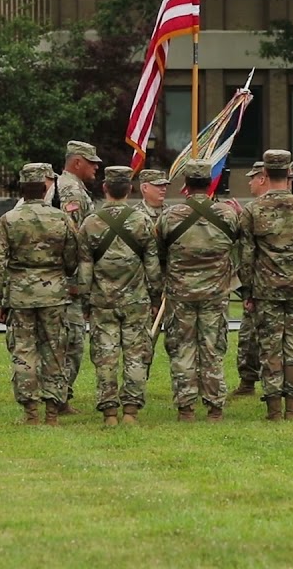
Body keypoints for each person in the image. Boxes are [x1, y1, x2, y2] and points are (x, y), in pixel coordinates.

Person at [0, 163, 83, 426]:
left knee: (24, 351)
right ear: (43, 188)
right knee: (55, 351)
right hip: (54, 294)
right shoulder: (61, 219)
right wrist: (61, 273)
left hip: (20, 296)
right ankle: (52, 413)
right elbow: (73, 257)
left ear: (22, 189)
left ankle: (31, 413)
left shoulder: (8, 220)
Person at [238, 150, 293, 421]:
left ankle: (274, 410)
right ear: (289, 173)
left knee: (270, 349)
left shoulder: (252, 210)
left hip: (265, 291)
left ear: (264, 173)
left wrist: (248, 290)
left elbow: (246, 256)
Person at [77, 166, 162, 427]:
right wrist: (155, 297)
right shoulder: (142, 221)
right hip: (136, 301)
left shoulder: (90, 223)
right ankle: (131, 412)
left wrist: (85, 302)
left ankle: (110, 413)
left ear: (105, 188)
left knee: (105, 356)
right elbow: (153, 267)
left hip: (102, 302)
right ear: (130, 189)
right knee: (136, 355)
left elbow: (84, 271)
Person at [157, 161, 240, 422]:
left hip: (180, 294)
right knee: (212, 349)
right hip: (215, 294)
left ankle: (186, 409)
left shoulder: (170, 216)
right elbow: (238, 247)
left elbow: (159, 254)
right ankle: (215, 408)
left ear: (186, 185)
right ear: (210, 183)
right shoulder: (227, 215)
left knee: (182, 349)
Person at [56, 139, 102, 414]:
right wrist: (76, 281)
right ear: (77, 162)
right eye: (91, 163)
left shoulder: (70, 187)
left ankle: (57, 395)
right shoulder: (71, 191)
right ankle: (59, 398)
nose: (96, 167)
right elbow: (72, 237)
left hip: (66, 279)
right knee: (72, 341)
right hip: (69, 280)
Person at [229, 161, 266, 398]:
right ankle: (248, 381)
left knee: (259, 336)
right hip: (262, 283)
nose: (250, 182)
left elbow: (248, 251)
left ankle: (255, 383)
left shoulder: (255, 210)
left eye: (253, 178)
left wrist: (247, 289)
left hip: (262, 284)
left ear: (263, 179)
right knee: (249, 335)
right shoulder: (252, 210)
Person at [135, 168, 171, 381]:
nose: (163, 189)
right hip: (145, 284)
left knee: (178, 339)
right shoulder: (135, 216)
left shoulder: (172, 214)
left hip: (172, 282)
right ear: (144, 188)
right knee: (146, 338)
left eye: (165, 185)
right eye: (158, 186)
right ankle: (139, 381)